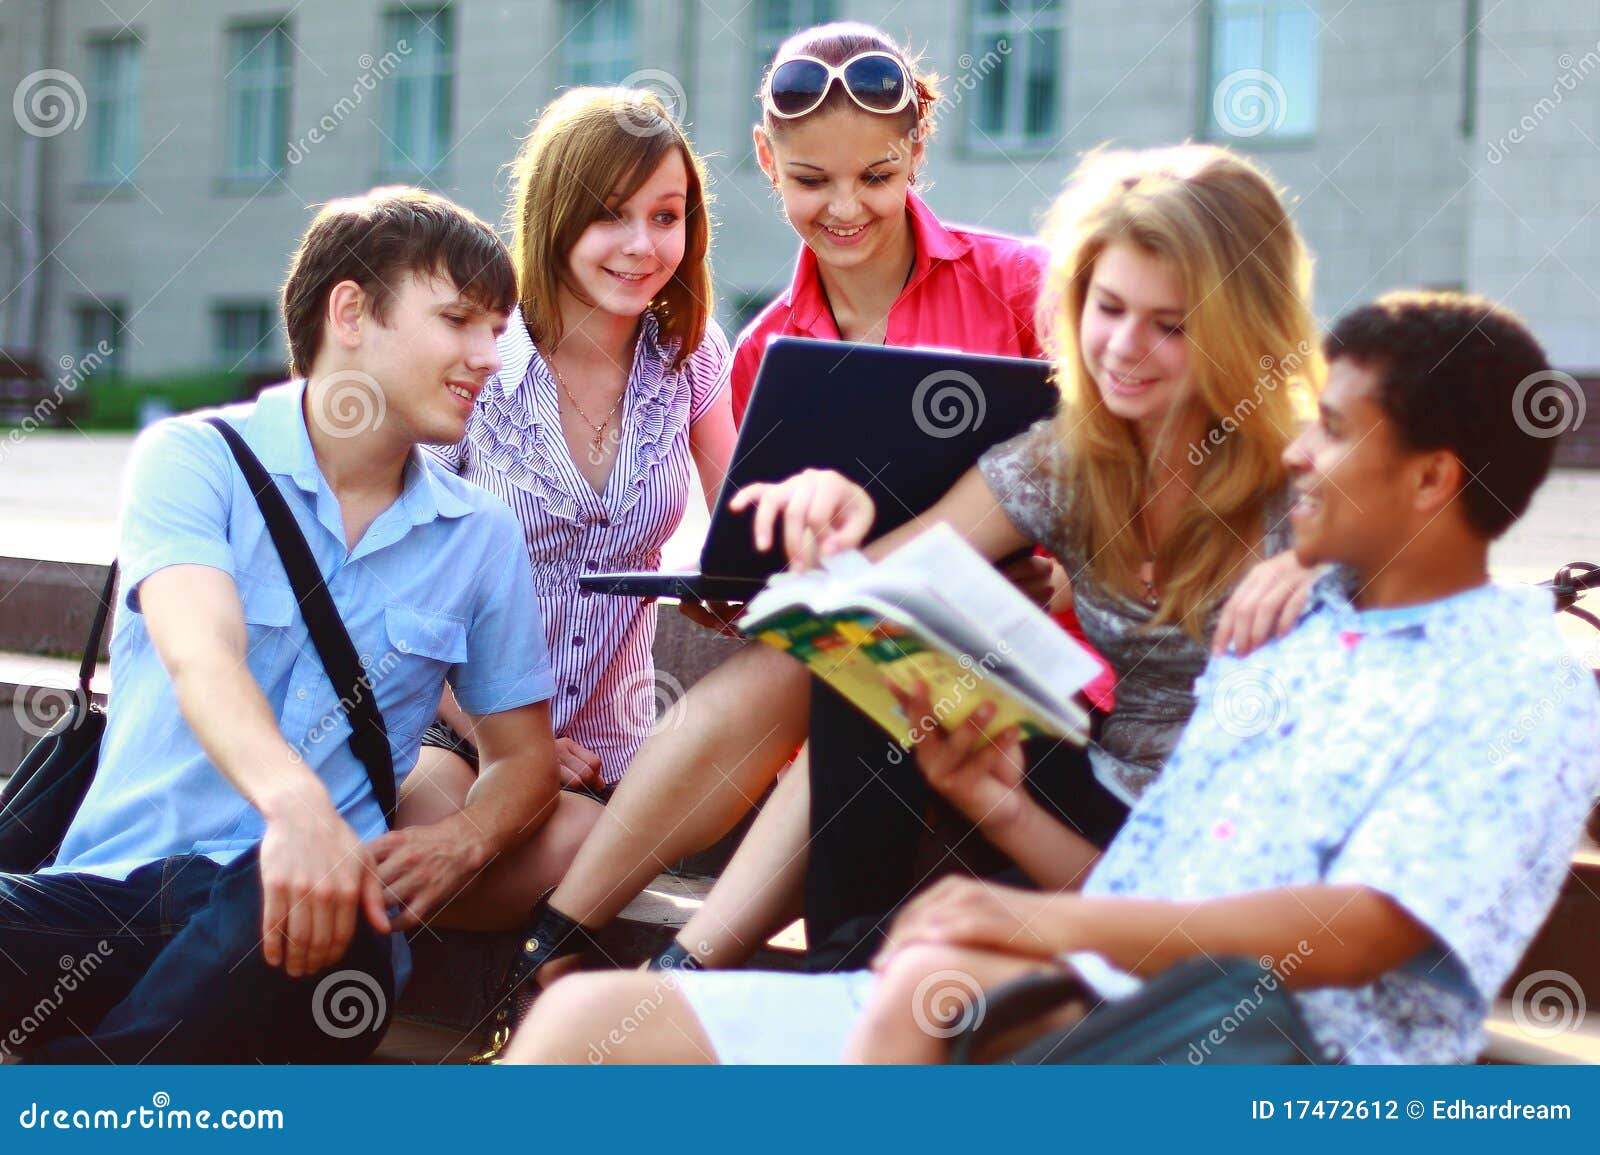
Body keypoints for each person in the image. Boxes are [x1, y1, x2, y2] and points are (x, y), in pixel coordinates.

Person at [510, 291, 1600, 1067]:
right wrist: (996, 807)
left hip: (1261, 1064)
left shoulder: (1519, 683)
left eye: (1332, 428)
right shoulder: (1289, 635)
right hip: (1082, 1006)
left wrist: (1042, 932)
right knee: (576, 1034)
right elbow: (1138, 898)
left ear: (1429, 479)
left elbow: (1361, 931)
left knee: (921, 1012)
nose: (1299, 454)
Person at [477, 22, 1107, 1050]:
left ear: (917, 153)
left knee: (858, 655)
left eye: (877, 174)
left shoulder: (1022, 287)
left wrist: (1065, 573)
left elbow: (1124, 483)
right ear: (767, 164)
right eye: (812, 179)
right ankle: (567, 952)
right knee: (840, 649)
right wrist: (737, 582)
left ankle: (647, 977)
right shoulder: (769, 351)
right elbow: (769, 560)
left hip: (1037, 695)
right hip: (886, 698)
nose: (846, 207)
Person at [0, 187, 572, 1063]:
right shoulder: (194, 460)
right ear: (351, 311)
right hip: (115, 893)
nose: (489, 355)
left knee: (320, 919)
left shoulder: (479, 534)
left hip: (315, 928)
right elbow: (202, 655)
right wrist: (296, 805)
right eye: (459, 320)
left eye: (497, 329)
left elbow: (524, 757)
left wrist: (465, 839)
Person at [723, 140, 1323, 970]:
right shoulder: (1073, 456)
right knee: (876, 654)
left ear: (1240, 326)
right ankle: (844, 965)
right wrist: (838, 526)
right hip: (1102, 796)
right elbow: (889, 577)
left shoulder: (1311, 480)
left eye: (1170, 325)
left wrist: (1317, 559)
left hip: (1241, 848)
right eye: (1108, 307)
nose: (1122, 348)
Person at [398, 87, 735, 936]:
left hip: (608, 756)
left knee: (587, 830)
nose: (642, 246)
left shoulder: (690, 360)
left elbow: (741, 522)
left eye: (667, 216)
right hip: (453, 728)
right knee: (427, 843)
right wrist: (506, 741)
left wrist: (731, 580)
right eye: (610, 217)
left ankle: (538, 969)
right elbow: (396, 591)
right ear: (555, 218)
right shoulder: (474, 360)